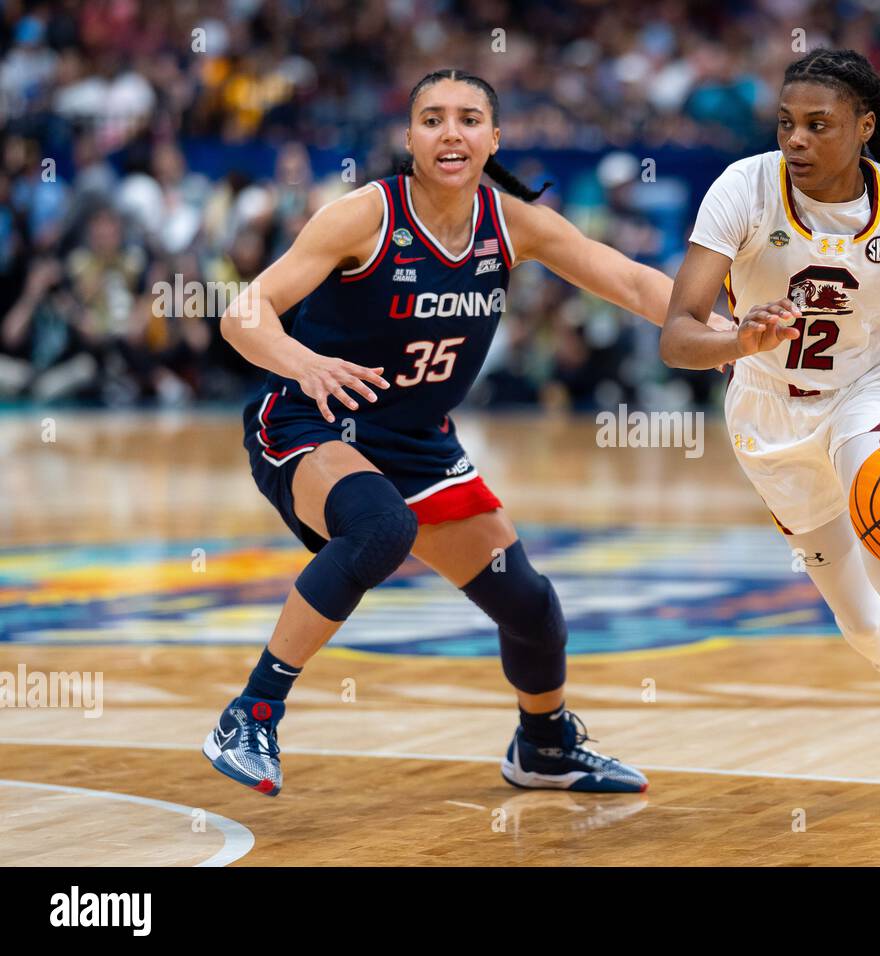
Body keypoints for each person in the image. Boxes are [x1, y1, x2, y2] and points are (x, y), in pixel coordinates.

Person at [204, 69, 732, 797]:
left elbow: (638, 285)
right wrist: (305, 362)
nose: (450, 131)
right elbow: (244, 313)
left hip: (419, 440)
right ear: (410, 138)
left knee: (532, 607)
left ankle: (544, 746)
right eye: (431, 118)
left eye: (468, 118)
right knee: (379, 526)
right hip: (312, 420)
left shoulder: (514, 222)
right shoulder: (363, 215)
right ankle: (251, 712)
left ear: (493, 138)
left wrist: (736, 335)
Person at [660, 49, 880, 841]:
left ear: (864, 127)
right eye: (786, 123)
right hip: (767, 420)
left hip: (870, 398)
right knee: (860, 624)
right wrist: (738, 341)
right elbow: (677, 336)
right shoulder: (742, 190)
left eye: (818, 125)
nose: (796, 139)